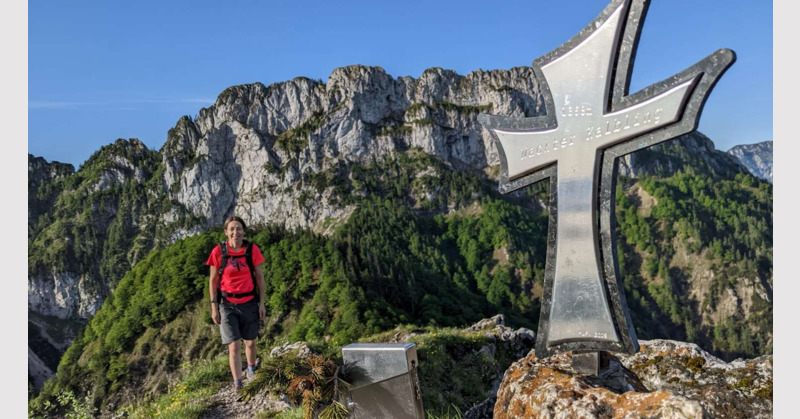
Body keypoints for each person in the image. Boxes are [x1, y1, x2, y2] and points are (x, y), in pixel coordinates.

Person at [207, 216, 267, 390]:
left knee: (250, 342)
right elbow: (213, 281)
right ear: (226, 232)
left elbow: (260, 278)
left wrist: (262, 303)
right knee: (234, 345)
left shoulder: (252, 250)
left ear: (244, 231)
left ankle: (251, 368)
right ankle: (238, 384)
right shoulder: (218, 251)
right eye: (232, 229)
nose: (236, 232)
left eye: (239, 228)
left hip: (249, 302)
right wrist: (214, 307)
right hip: (227, 304)